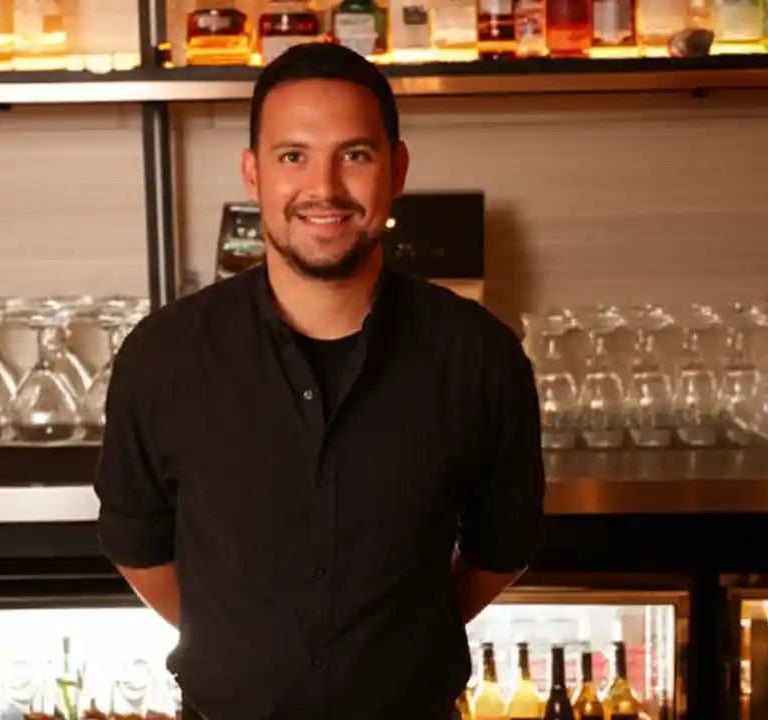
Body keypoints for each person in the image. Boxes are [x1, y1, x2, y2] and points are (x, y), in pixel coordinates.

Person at [95, 42, 545, 720]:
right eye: (293, 156)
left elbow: (500, 546)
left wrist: (397, 642)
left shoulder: (478, 353)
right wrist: (242, 644)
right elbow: (137, 545)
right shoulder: (164, 355)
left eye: (355, 155)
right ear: (253, 174)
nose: (324, 189)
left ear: (396, 169)